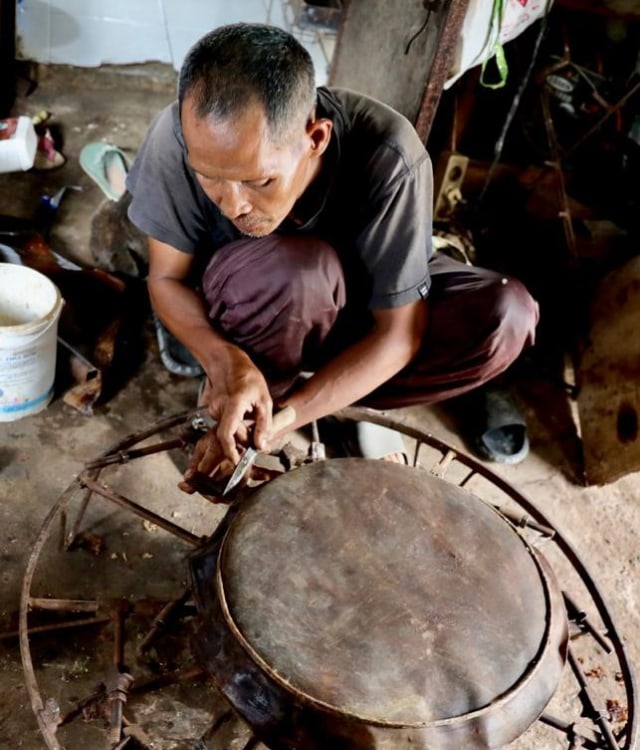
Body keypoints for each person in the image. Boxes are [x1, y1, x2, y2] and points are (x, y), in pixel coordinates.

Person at [126, 22, 538, 487]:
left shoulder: (389, 155)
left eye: (259, 181)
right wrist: (225, 362)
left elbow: (400, 334)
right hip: (253, 308)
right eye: (210, 177)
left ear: (315, 139)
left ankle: (321, 402)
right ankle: (246, 400)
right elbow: (165, 280)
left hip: (353, 312)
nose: (234, 203)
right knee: (296, 274)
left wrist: (293, 415)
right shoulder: (178, 137)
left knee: (507, 315)